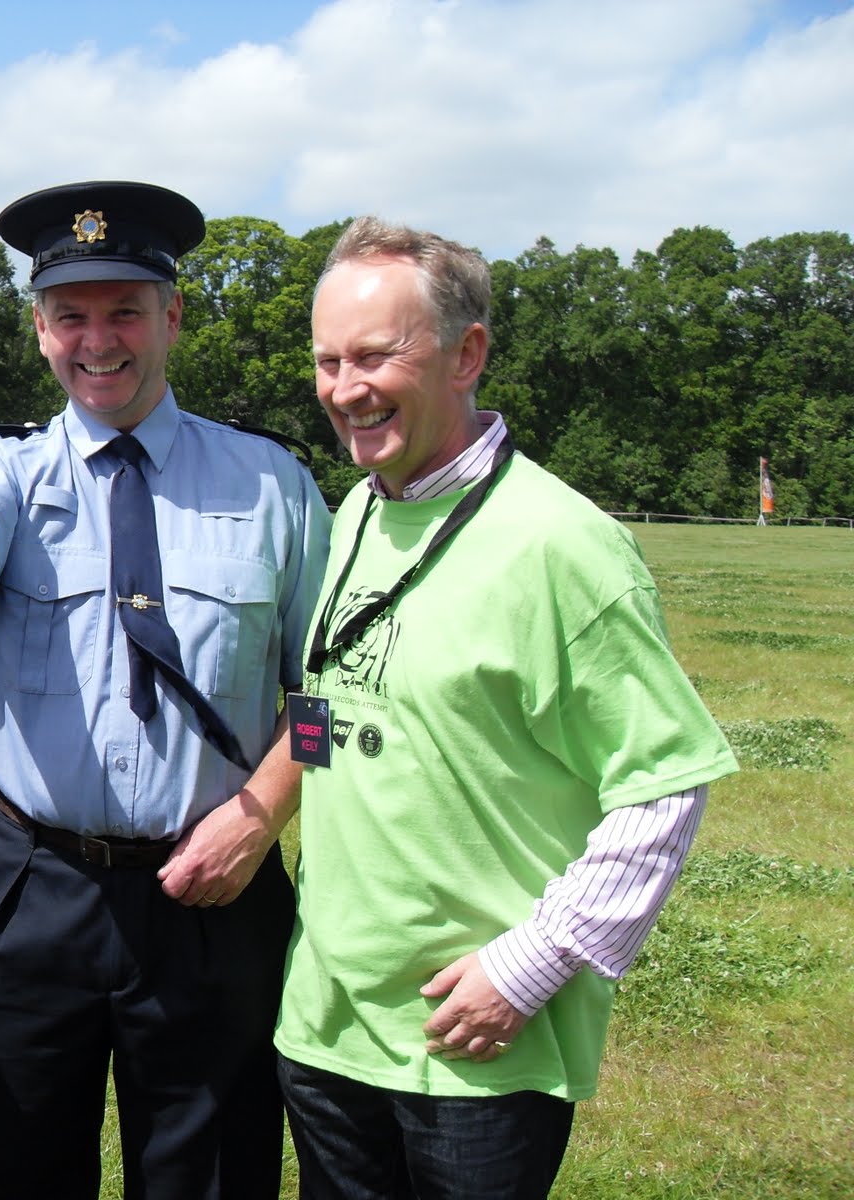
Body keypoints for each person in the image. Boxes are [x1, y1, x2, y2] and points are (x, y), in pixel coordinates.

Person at [0, 181, 331, 1198]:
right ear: (39, 329)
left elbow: (328, 695)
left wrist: (261, 815)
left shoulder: (273, 484)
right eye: (70, 316)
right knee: (18, 1171)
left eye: (124, 311)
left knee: (212, 1175)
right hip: (29, 885)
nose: (97, 341)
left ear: (172, 316)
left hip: (213, 887)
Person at [273, 217, 740, 1199]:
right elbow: (330, 701)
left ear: (465, 353)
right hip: (324, 1023)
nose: (343, 388)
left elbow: (664, 786)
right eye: (326, 360)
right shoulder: (355, 510)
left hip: (473, 1043)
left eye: (373, 355)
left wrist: (532, 964)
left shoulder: (563, 547)